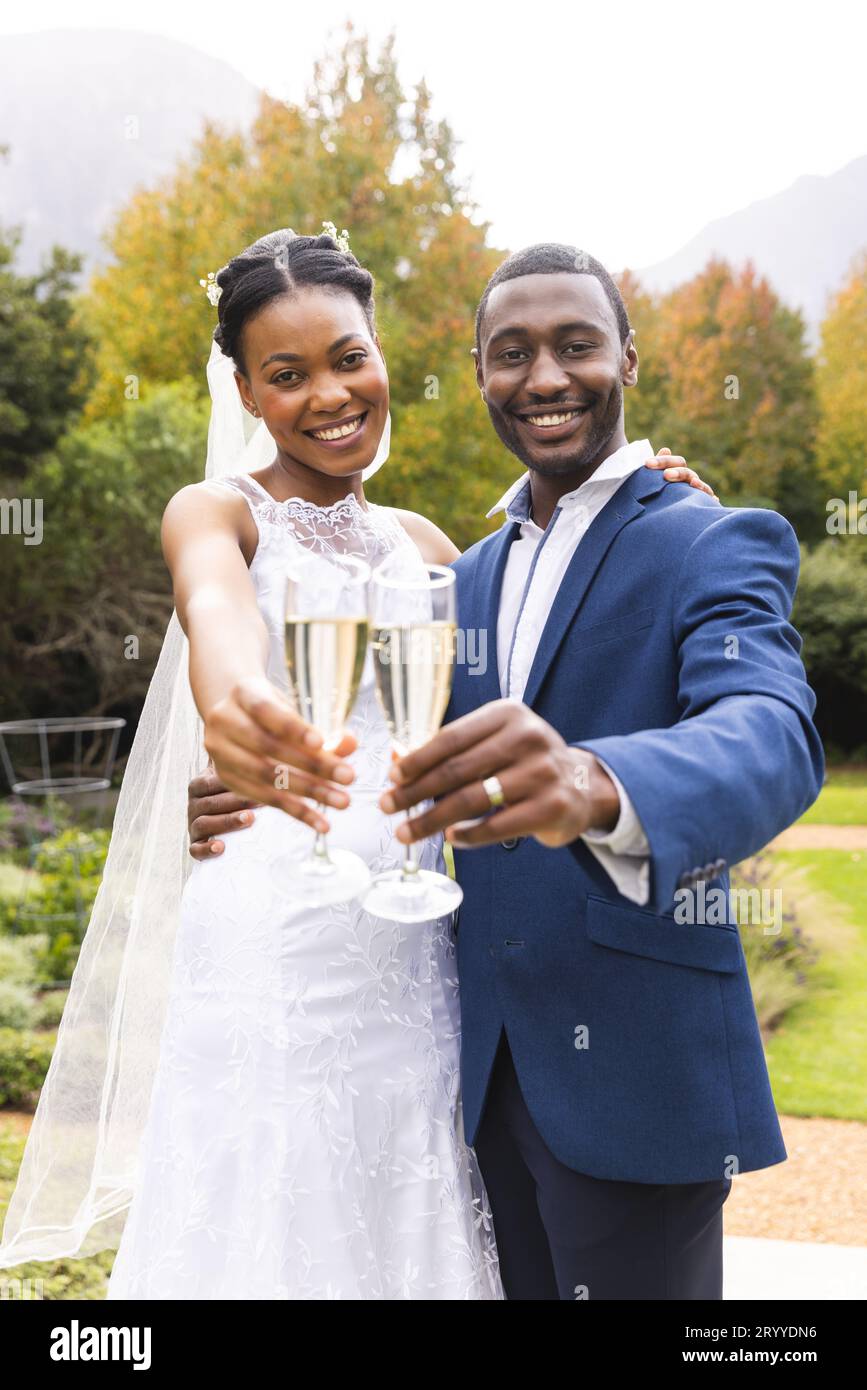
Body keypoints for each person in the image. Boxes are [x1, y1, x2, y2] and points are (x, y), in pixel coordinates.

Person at [191, 243, 824, 1301]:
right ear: (478, 371)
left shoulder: (710, 540)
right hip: (461, 1085)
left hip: (633, 1084)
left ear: (628, 358)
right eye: (511, 352)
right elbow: (383, 742)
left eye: (577, 346)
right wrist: (236, 785)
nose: (544, 377)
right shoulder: (451, 576)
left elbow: (772, 731)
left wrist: (595, 782)